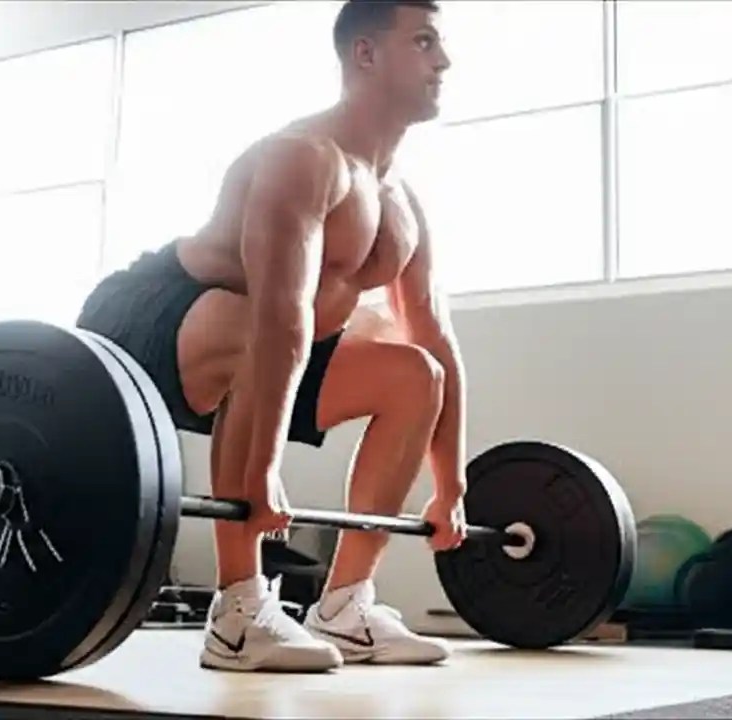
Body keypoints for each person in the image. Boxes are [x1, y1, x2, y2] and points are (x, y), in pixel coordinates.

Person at [77, 0, 468, 673]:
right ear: (365, 55)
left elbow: (435, 339)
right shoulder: (304, 159)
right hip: (148, 319)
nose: (444, 60)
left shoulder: (402, 204)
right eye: (424, 41)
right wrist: (259, 476)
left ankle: (346, 607)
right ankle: (238, 613)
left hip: (269, 335)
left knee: (413, 375)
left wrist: (452, 484)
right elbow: (280, 318)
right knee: (255, 324)